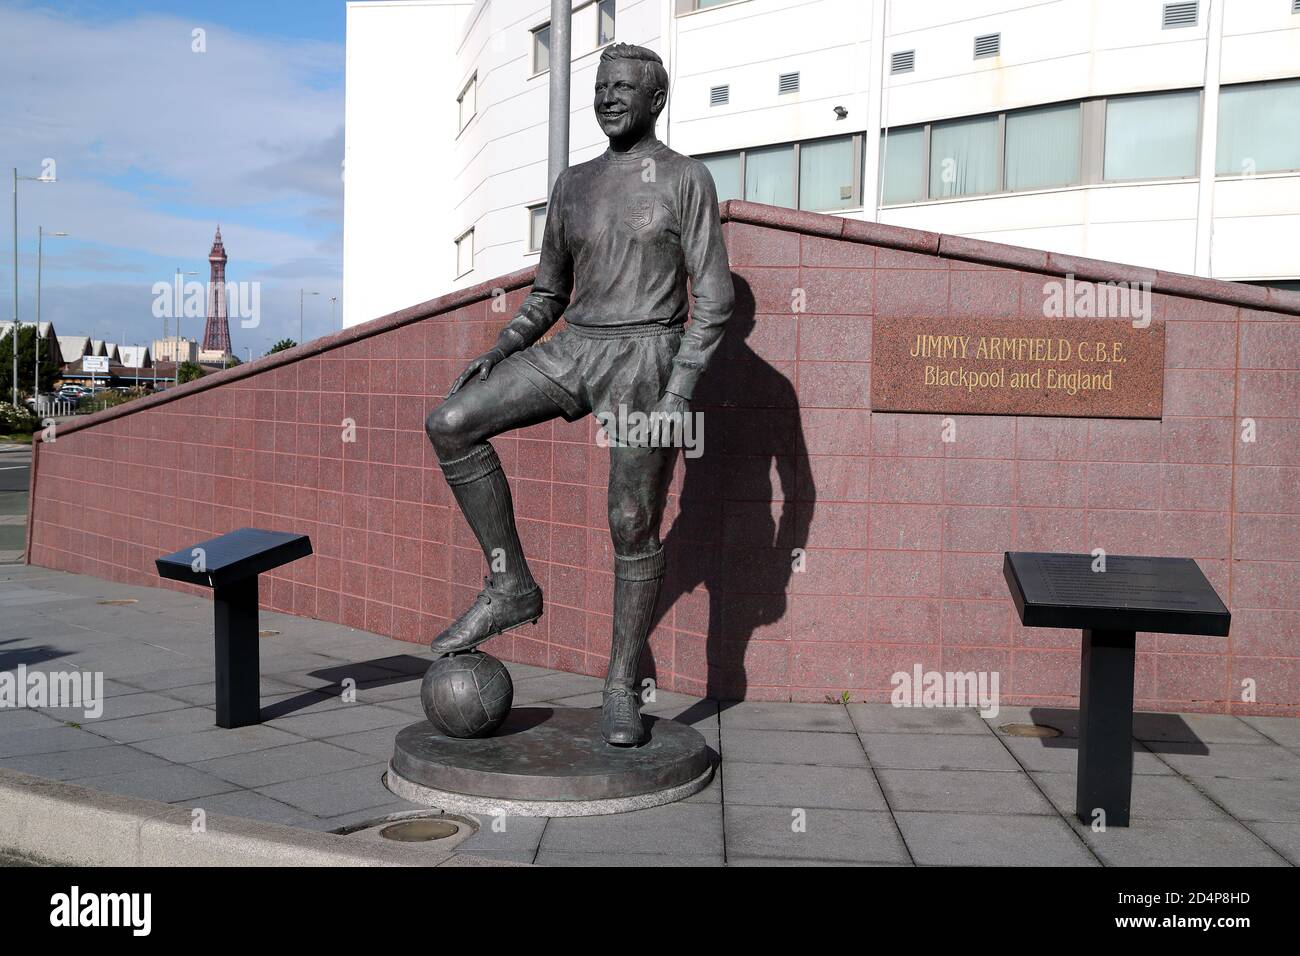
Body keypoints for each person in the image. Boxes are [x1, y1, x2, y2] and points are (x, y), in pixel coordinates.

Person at [424, 43, 734, 745]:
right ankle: (511, 585)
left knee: (630, 523)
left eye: (624, 87)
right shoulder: (572, 184)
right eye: (601, 86)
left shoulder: (688, 180)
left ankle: (621, 686)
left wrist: (679, 394)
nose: (609, 97)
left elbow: (712, 299)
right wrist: (500, 349)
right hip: (573, 347)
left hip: (648, 358)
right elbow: (547, 294)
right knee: (451, 422)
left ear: (656, 99)